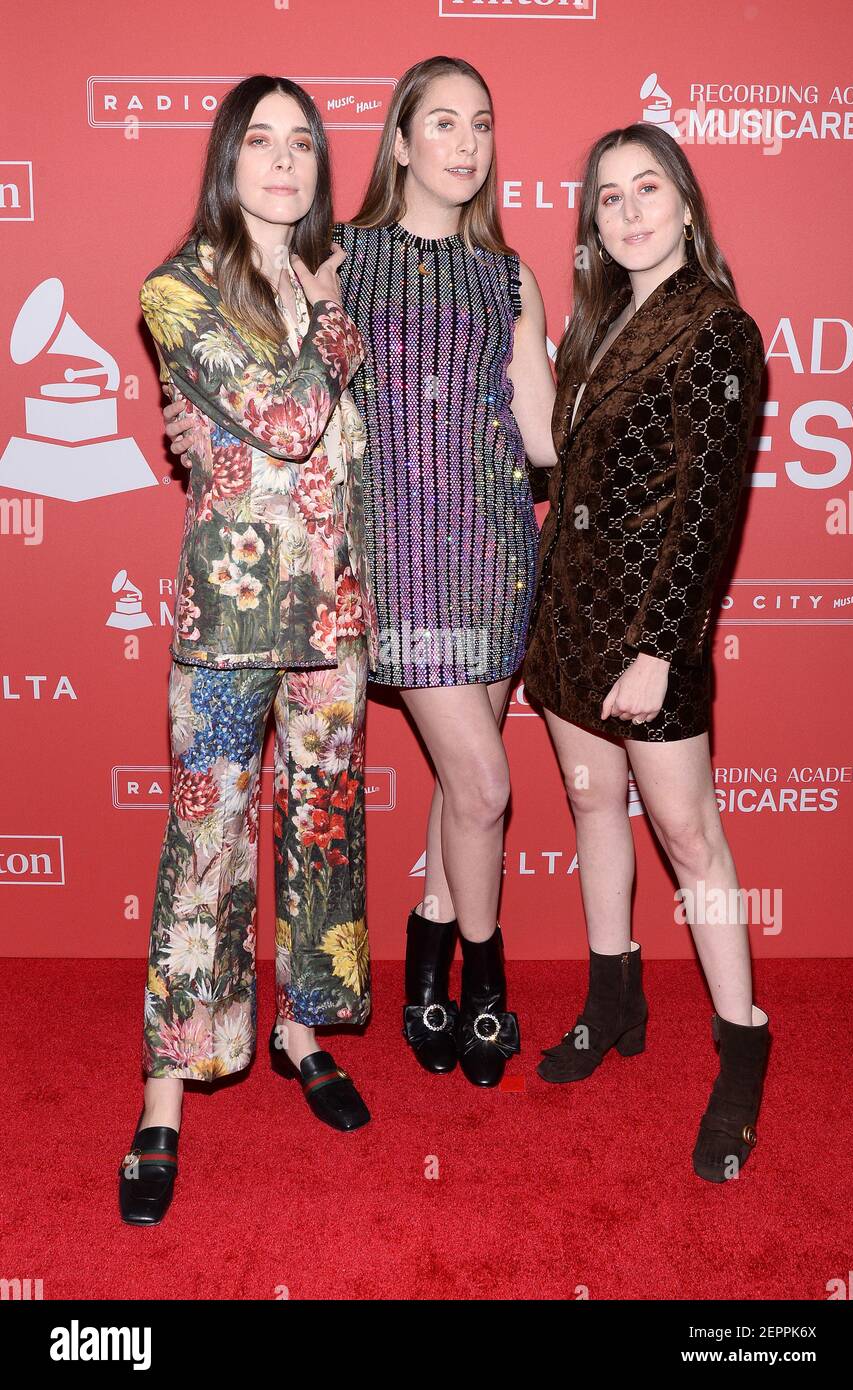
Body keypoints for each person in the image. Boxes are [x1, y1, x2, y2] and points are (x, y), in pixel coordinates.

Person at [165, 56, 558, 1089]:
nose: (464, 143)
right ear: (398, 141)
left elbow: (541, 431)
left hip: (493, 555)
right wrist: (197, 422)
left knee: (458, 790)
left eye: (480, 122)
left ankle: (427, 949)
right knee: (482, 782)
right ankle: (483, 988)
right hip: (391, 559)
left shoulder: (511, 276)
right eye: (441, 123)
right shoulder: (339, 257)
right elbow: (276, 373)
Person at [119, 75, 377, 1227]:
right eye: (259, 141)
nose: (283, 161)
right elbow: (282, 416)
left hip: (331, 615)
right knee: (204, 845)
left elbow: (341, 440)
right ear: (228, 160)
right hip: (227, 625)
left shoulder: (334, 277)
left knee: (320, 828)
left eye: (301, 143)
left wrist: (323, 313)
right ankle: (165, 1094)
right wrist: (320, 321)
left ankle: (298, 1028)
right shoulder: (174, 287)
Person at [521, 124, 771, 1183]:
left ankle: (741, 1043)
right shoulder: (593, 325)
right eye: (608, 197)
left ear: (683, 202)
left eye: (647, 189)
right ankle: (611, 999)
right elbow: (550, 460)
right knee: (589, 807)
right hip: (568, 623)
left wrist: (661, 653)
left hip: (645, 640)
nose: (627, 212)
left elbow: (707, 517)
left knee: (688, 834)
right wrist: (518, 323)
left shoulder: (715, 329)